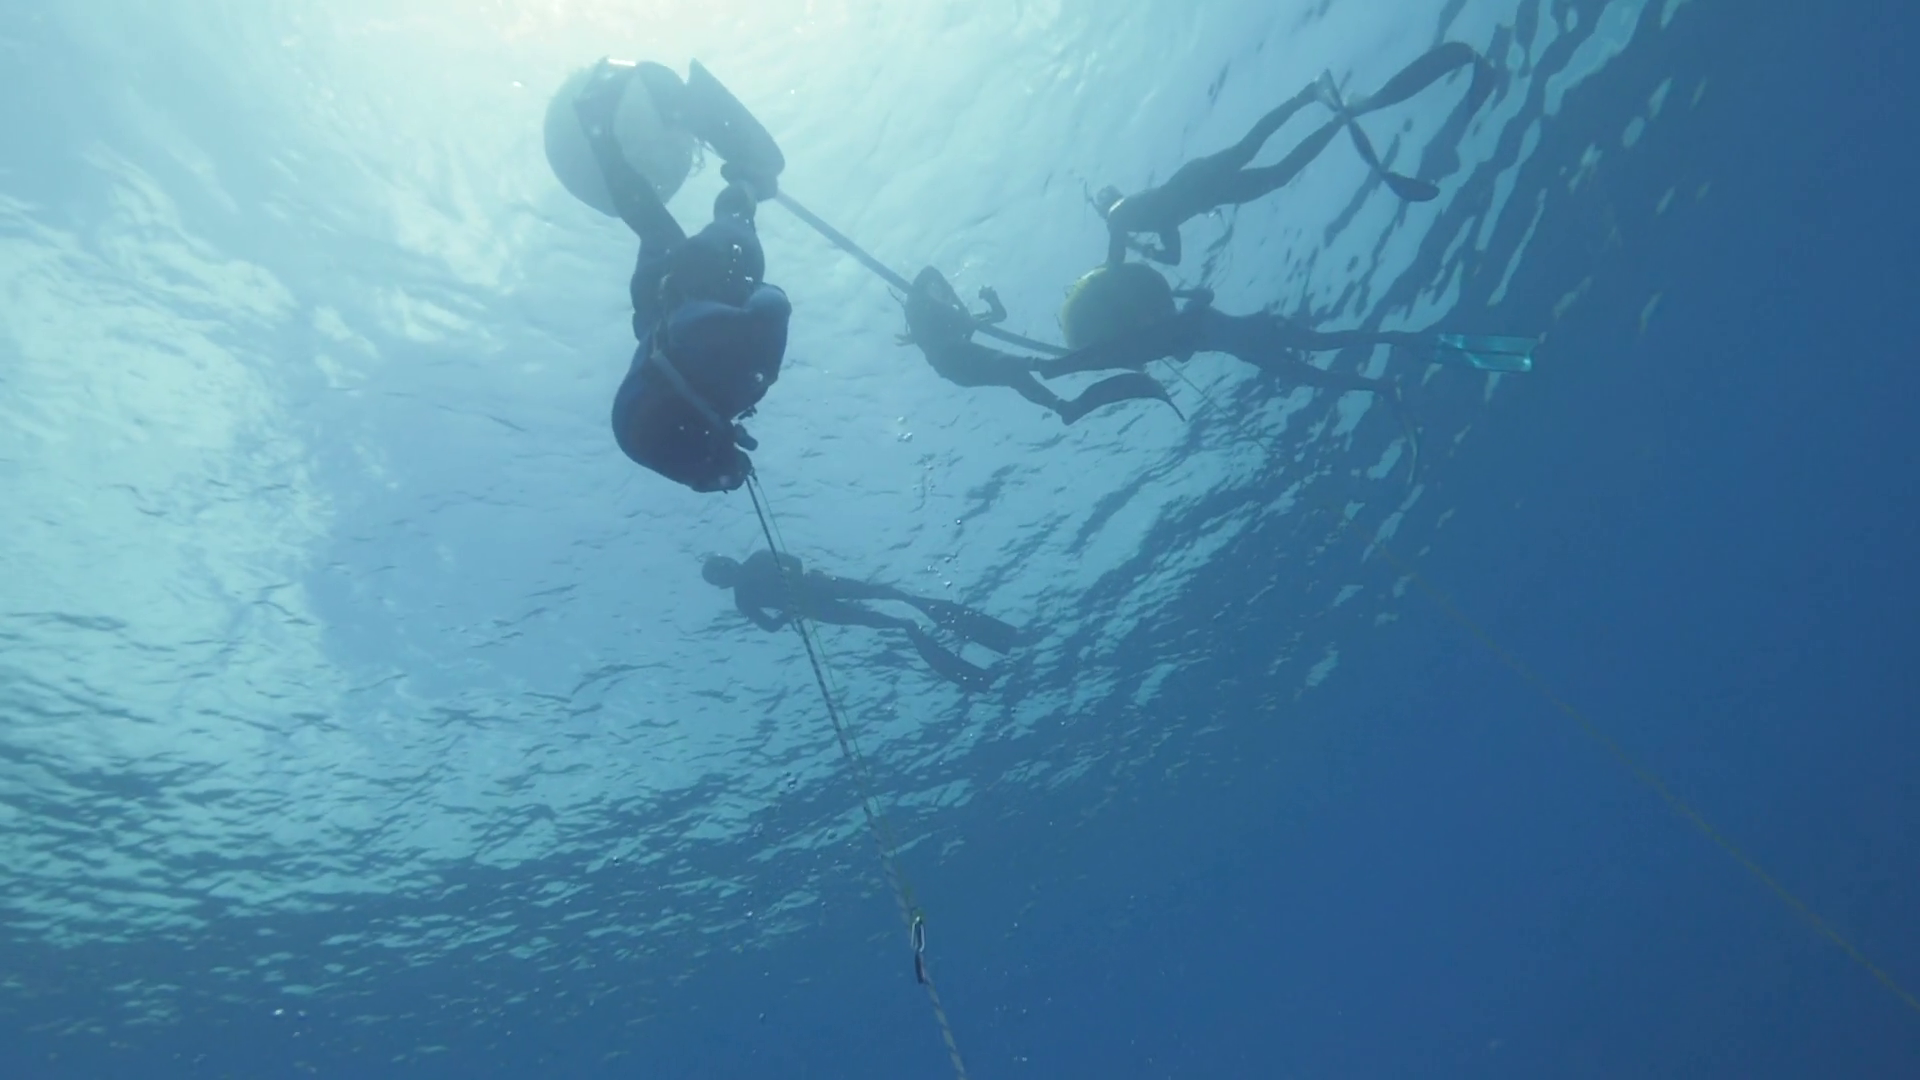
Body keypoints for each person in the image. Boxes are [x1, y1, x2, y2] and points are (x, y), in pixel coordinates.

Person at [1046, 263, 1538, 479]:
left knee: (1328, 346)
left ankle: (1403, 349)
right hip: (1256, 346)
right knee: (1319, 370)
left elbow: (1176, 327)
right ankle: (1384, 384)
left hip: (1261, 334)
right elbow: (1166, 337)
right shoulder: (1175, 327)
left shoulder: (1179, 325)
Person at [575, 58, 791, 493]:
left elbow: (773, 307)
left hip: (704, 285)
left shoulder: (741, 385)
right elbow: (635, 411)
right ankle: (597, 122)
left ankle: (748, 180)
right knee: (651, 222)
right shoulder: (648, 440)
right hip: (654, 308)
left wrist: (752, 310)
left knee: (739, 225)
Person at [1095, 43, 1495, 266]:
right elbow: (1175, 257)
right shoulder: (1149, 221)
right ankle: (1332, 117)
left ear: (1109, 203)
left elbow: (1115, 264)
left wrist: (1120, 257)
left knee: (1250, 147)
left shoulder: (1119, 215)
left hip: (1194, 183)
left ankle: (1308, 94)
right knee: (1277, 170)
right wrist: (1145, 250)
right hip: (1205, 194)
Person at [900, 266, 1182, 425]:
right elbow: (931, 274)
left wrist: (992, 299)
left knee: (1014, 376)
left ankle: (1063, 407)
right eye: (939, 290)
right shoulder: (919, 308)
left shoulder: (948, 318)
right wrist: (951, 298)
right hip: (953, 360)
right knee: (1008, 365)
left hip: (961, 367)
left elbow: (996, 318)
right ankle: (1046, 366)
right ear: (927, 290)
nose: (944, 295)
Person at [702, 551, 1020, 689]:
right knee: (882, 608)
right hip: (816, 596)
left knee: (883, 601)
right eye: (722, 569)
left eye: (722, 567)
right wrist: (791, 600)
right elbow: (773, 618)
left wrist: (790, 604)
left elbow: (790, 572)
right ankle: (925, 629)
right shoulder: (746, 587)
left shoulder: (746, 588)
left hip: (814, 595)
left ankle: (927, 625)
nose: (727, 570)